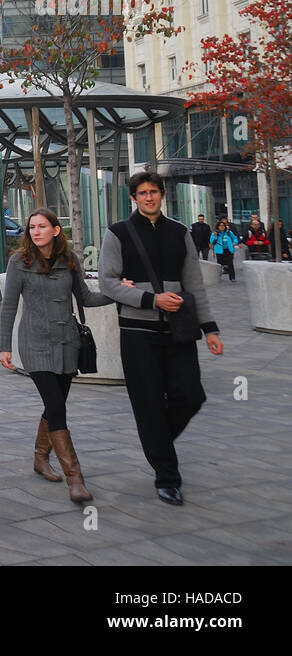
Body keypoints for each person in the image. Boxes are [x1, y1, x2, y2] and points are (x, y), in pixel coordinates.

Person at [100, 171, 224, 506]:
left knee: (191, 396)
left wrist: (210, 328)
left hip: (178, 330)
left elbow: (194, 284)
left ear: (163, 194)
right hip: (137, 333)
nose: (149, 197)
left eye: (154, 192)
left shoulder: (179, 232)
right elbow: (107, 283)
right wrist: (151, 300)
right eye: (142, 193)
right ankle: (167, 476)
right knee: (149, 404)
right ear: (134, 198)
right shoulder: (118, 233)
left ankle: (156, 443)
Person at [0, 208, 113, 503]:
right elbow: (9, 306)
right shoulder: (18, 262)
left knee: (56, 404)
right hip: (35, 345)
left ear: (55, 230)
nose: (36, 232)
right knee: (56, 407)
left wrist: (118, 292)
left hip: (66, 343)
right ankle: (75, 479)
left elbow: (86, 298)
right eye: (32, 227)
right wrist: (4, 346)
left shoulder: (70, 260)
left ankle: (40, 456)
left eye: (42, 226)